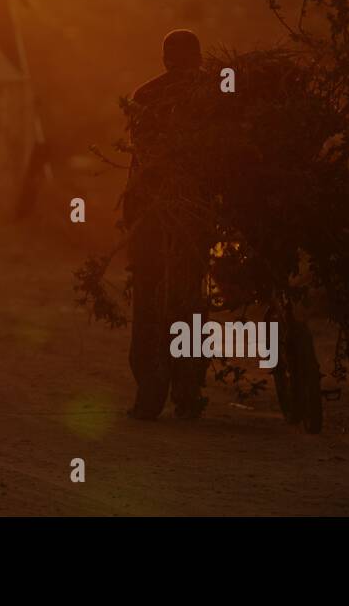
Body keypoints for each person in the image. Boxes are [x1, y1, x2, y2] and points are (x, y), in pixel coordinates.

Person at [123, 29, 213, 420]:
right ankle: (187, 391)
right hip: (192, 219)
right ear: (199, 58)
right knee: (189, 300)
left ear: (164, 59)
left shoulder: (146, 96)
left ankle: (150, 396)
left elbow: (141, 164)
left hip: (151, 219)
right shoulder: (214, 96)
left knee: (149, 302)